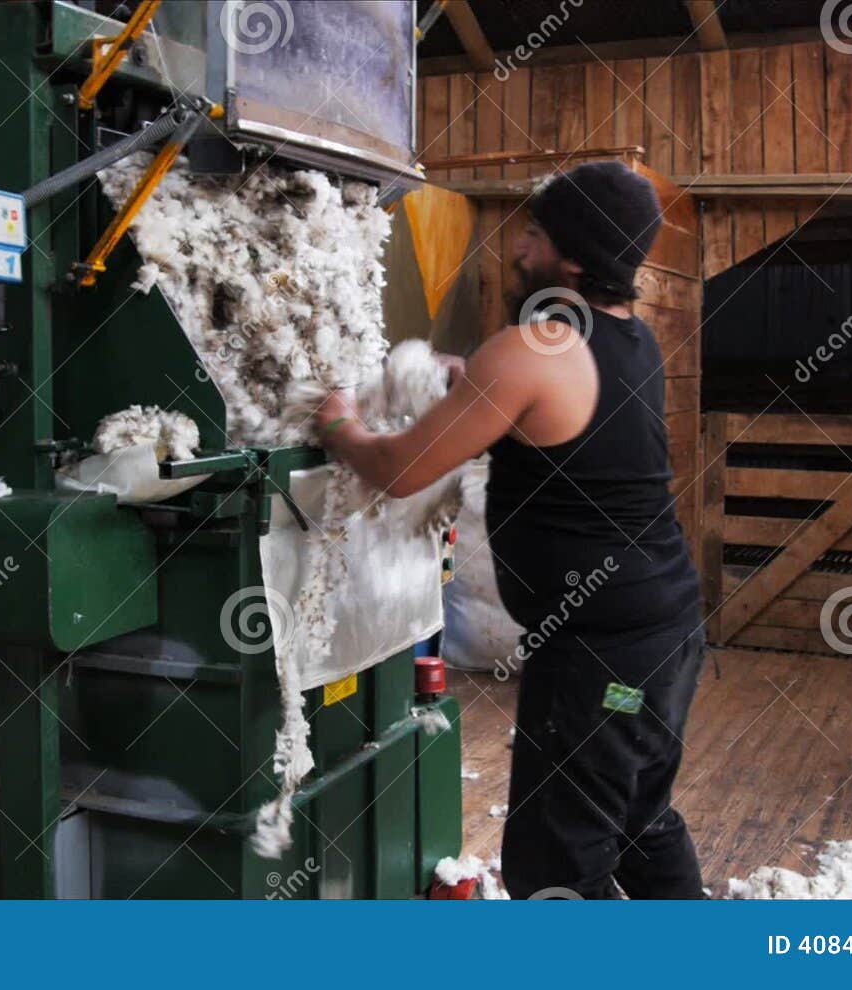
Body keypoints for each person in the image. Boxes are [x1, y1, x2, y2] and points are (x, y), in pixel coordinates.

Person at [315, 161, 706, 899]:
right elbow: (553, 416)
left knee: (556, 861)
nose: (519, 248)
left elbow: (399, 468)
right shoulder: (631, 340)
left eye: (535, 233)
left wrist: (339, 423)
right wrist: (481, 383)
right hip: (667, 632)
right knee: (639, 822)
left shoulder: (531, 348)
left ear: (575, 257)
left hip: (600, 658)